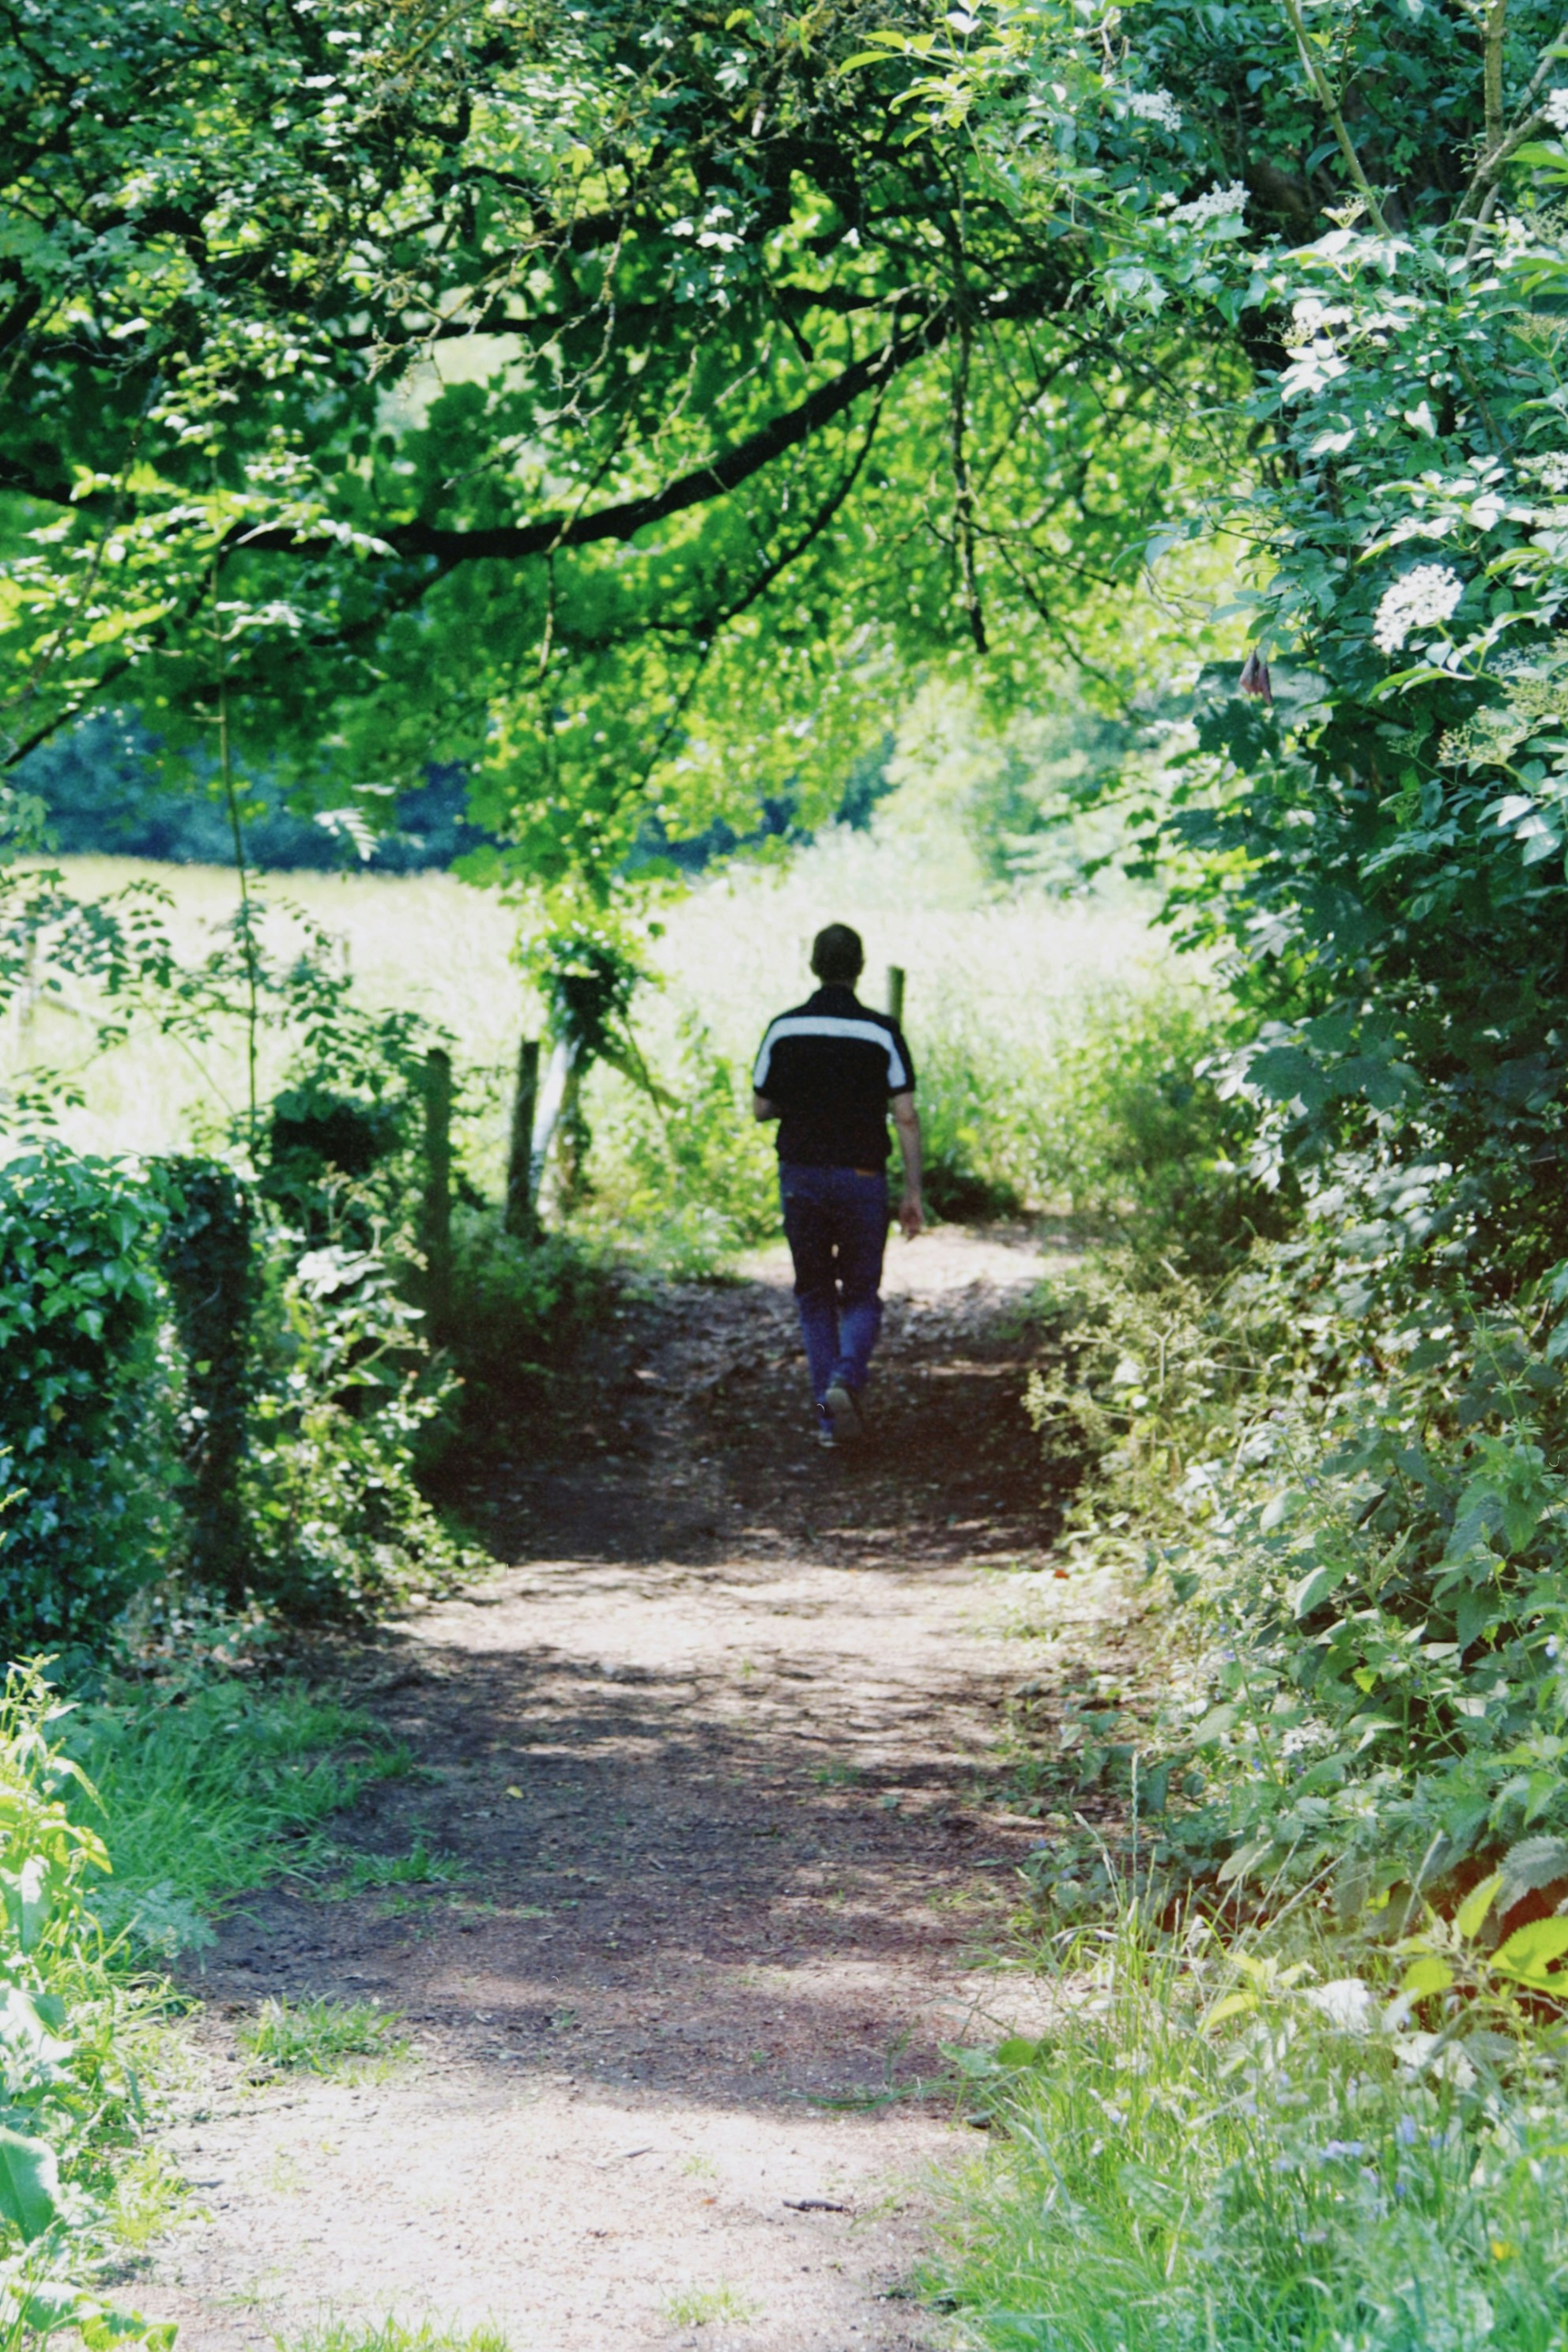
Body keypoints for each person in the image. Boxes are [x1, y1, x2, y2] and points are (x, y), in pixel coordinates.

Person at [752, 922, 923, 1448]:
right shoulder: (882, 1032)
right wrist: (913, 1192)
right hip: (862, 1176)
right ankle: (846, 1378)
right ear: (861, 967)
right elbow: (906, 1115)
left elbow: (761, 1107)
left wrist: (805, 1102)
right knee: (863, 1294)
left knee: (814, 1296)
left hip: (801, 1174)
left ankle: (829, 1419)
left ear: (814, 966)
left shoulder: (783, 1030)